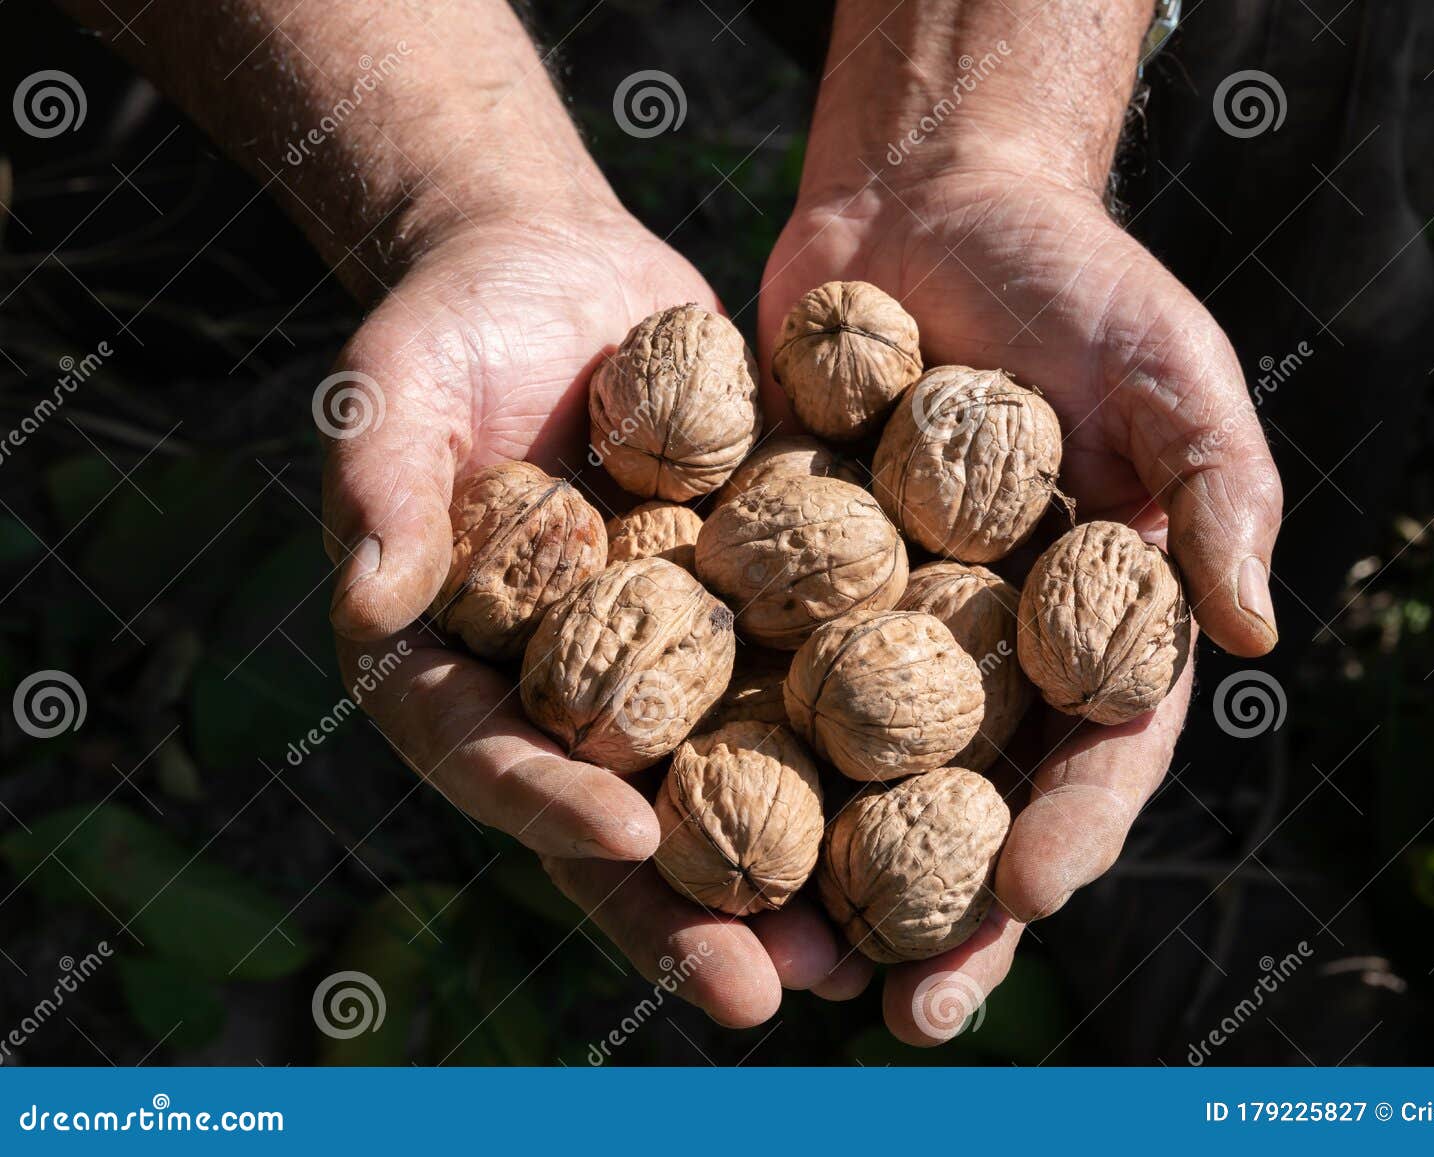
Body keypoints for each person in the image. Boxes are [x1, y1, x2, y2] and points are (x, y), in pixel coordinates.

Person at [59, 0, 1287, 1045]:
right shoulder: (751, 561)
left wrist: (990, 145)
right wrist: (461, 202)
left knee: (1318, 231)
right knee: (158, 233)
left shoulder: (881, 576)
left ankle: (1233, 826)